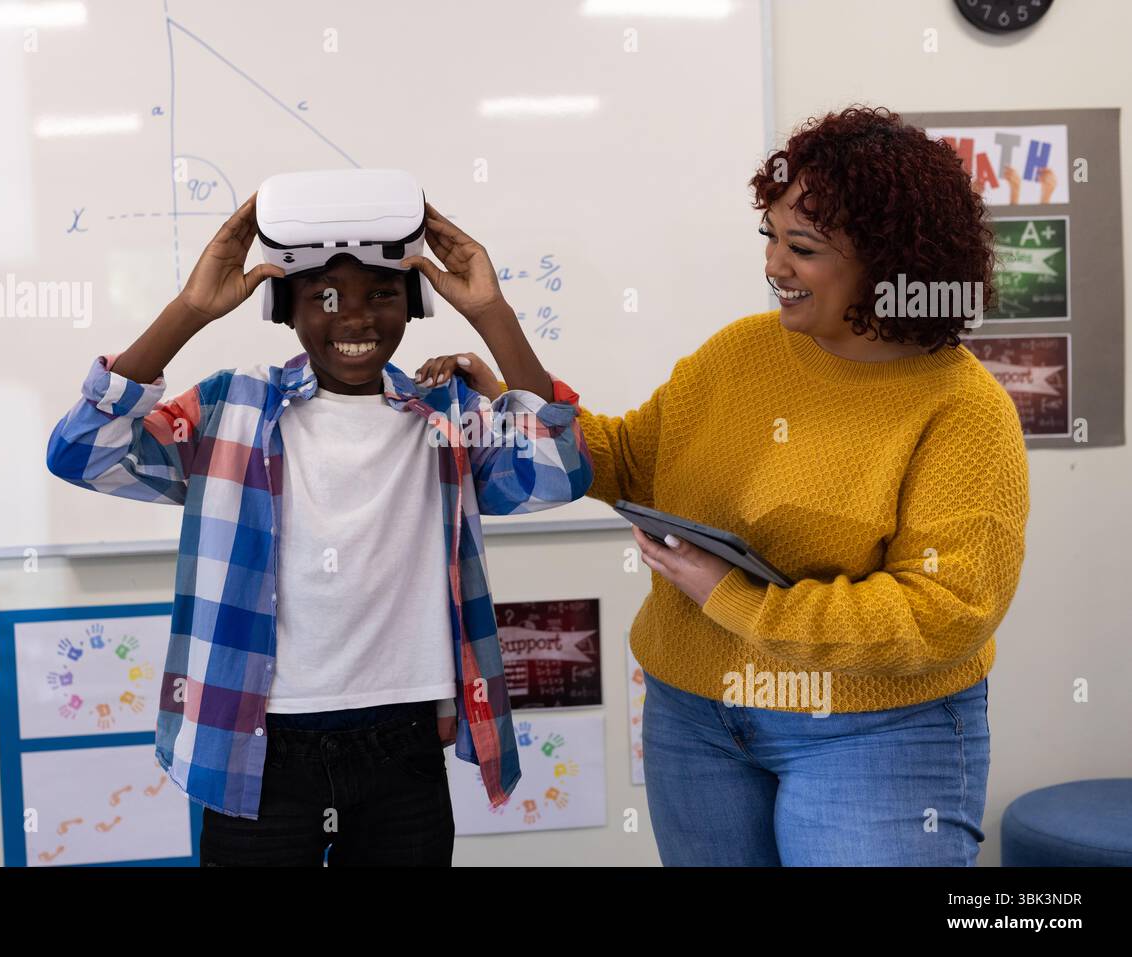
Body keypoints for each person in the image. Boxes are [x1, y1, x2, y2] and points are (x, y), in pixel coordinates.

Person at [417, 106, 1030, 866]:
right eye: (769, 237)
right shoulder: (740, 354)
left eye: (800, 247)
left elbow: (944, 614)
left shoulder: (963, 409)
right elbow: (619, 459)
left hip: (876, 729)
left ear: (887, 262)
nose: (774, 265)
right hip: (697, 716)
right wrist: (497, 327)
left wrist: (734, 597)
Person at [46, 193, 592, 866]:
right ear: (289, 310)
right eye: (325, 297)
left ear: (414, 304)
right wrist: (187, 311)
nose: (355, 315)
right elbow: (82, 450)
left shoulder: (444, 412)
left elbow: (558, 472)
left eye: (382, 294)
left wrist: (492, 316)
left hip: (405, 740)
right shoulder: (233, 406)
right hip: (260, 748)